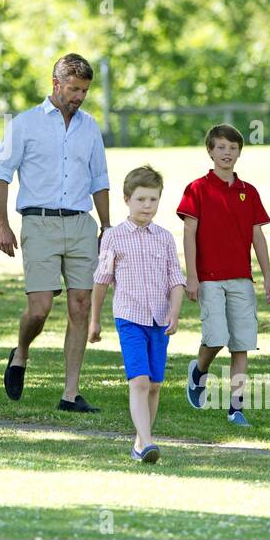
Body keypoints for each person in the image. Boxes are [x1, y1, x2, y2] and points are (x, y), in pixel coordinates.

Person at [0, 53, 111, 413]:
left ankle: (70, 393)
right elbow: (1, 174)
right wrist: (1, 223)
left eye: (85, 91)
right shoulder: (25, 124)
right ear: (56, 84)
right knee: (40, 308)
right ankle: (22, 352)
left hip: (80, 223)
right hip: (39, 222)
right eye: (74, 89)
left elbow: (100, 180)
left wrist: (107, 227)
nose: (79, 97)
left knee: (81, 304)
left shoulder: (90, 127)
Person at [178, 123, 270, 427]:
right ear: (210, 150)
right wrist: (191, 276)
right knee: (216, 336)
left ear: (239, 153)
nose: (227, 153)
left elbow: (257, 236)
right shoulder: (197, 189)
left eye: (233, 148)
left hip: (241, 278)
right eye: (221, 147)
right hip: (208, 277)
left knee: (241, 341)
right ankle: (199, 371)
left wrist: (267, 276)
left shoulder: (249, 192)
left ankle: (236, 407)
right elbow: (189, 234)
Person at [88, 166, 186, 463]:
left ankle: (140, 442)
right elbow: (101, 280)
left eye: (153, 200)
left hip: (159, 318)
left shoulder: (165, 237)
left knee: (155, 385)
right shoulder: (114, 237)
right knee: (139, 382)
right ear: (127, 200)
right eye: (141, 199)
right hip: (129, 318)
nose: (147, 206)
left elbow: (176, 279)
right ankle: (146, 442)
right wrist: (95, 320)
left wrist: (175, 313)